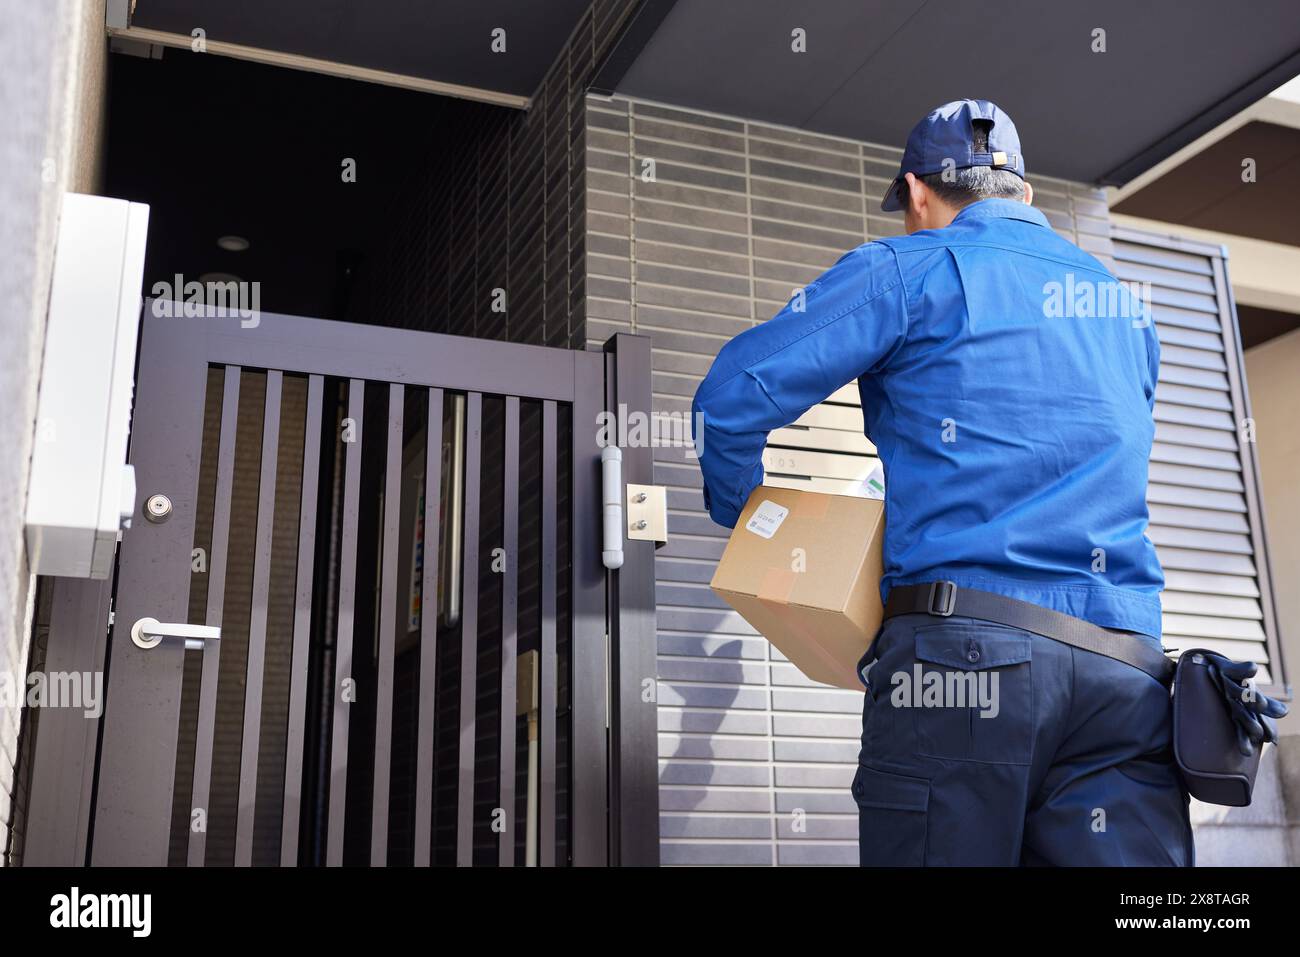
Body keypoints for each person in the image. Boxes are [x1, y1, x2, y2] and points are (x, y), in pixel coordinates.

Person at [691, 99, 1193, 866]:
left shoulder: (910, 269)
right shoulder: (1125, 309)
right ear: (1022, 193)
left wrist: (753, 521)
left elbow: (729, 398)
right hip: (1126, 676)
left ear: (918, 194)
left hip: (964, 665)